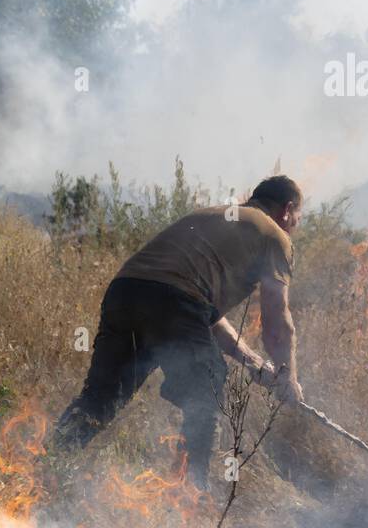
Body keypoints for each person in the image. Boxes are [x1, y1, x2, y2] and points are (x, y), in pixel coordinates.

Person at [53, 174, 304, 488]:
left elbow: (204, 318)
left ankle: (43, 468)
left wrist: (255, 363)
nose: (295, 225)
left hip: (125, 292)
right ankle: (191, 493)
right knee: (207, 385)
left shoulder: (216, 216)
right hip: (172, 302)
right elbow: (277, 323)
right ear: (287, 209)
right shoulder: (275, 235)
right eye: (297, 218)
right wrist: (288, 376)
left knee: (100, 399)